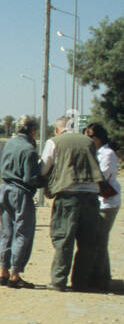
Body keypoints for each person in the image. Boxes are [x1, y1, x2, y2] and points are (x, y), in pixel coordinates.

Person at [40, 116, 106, 292]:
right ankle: (81, 282)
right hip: (92, 196)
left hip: (68, 195)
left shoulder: (54, 142)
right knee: (87, 242)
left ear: (57, 129)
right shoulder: (88, 142)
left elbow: (44, 168)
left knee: (64, 239)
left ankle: (58, 281)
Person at [0, 116, 41, 289]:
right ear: (32, 130)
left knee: (6, 231)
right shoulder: (29, 150)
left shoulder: (9, 144)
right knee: (22, 232)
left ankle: (3, 271)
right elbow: (30, 178)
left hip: (5, 190)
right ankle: (15, 274)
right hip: (20, 192)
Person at [84, 123, 119, 290]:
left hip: (107, 203)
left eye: (91, 136)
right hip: (98, 202)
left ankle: (103, 278)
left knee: (100, 240)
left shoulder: (107, 154)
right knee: (97, 240)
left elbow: (100, 177)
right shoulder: (96, 153)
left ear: (98, 137)